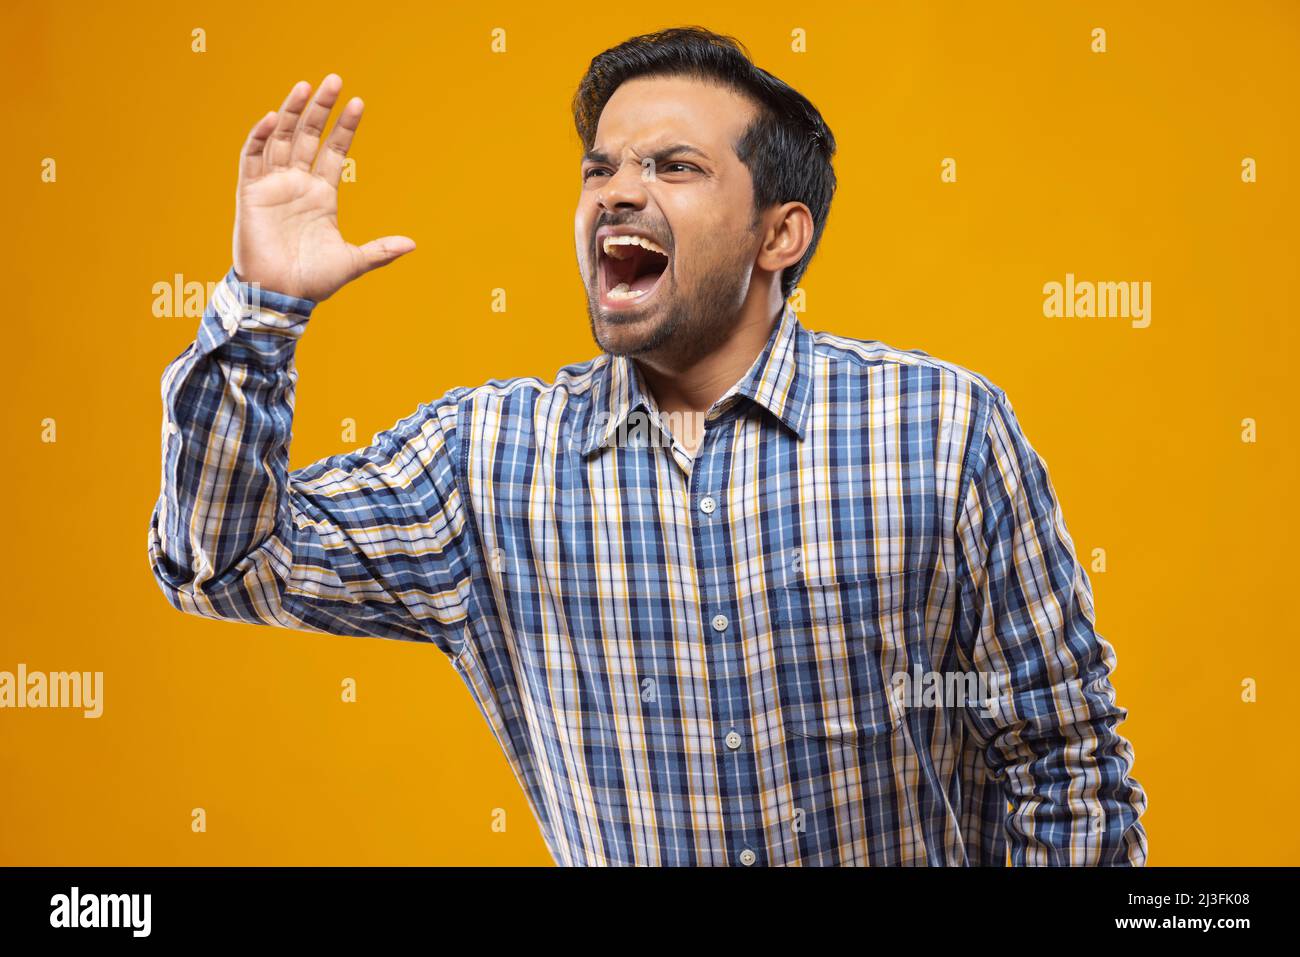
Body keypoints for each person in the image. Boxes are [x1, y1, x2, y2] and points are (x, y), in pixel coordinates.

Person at [148, 26, 1148, 866]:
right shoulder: (488, 463)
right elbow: (224, 564)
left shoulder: (940, 432)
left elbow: (1064, 762)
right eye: (601, 168)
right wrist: (263, 311)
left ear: (778, 235)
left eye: (673, 166)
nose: (618, 192)